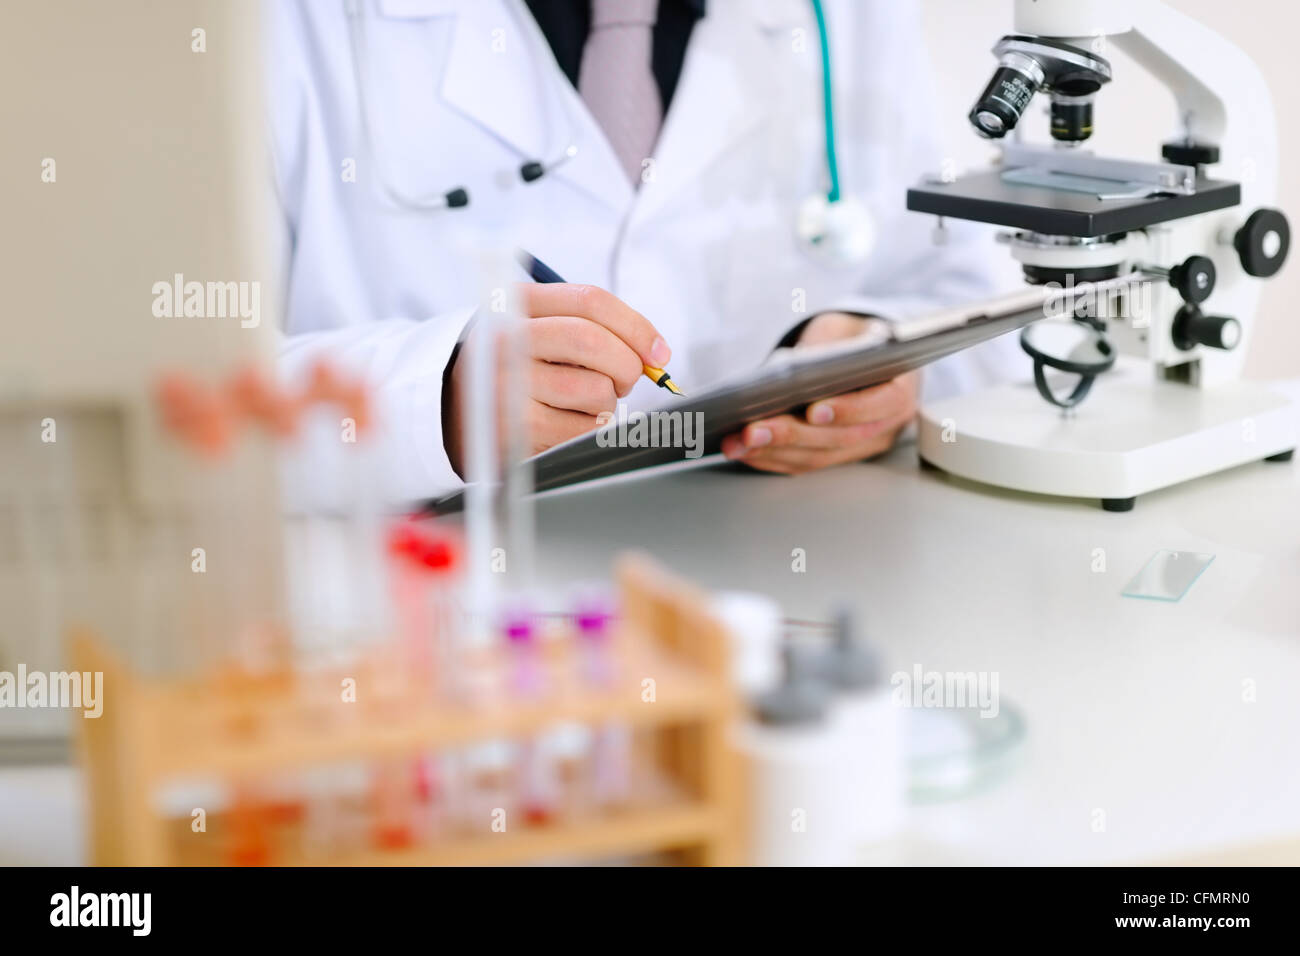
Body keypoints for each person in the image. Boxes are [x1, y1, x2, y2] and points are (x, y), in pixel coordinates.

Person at [266, 0, 1020, 506]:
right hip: (424, 616)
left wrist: (888, 375)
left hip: (774, 571)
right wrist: (434, 405)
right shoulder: (280, 24)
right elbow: (197, 392)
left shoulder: (850, 14)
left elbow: (968, 302)